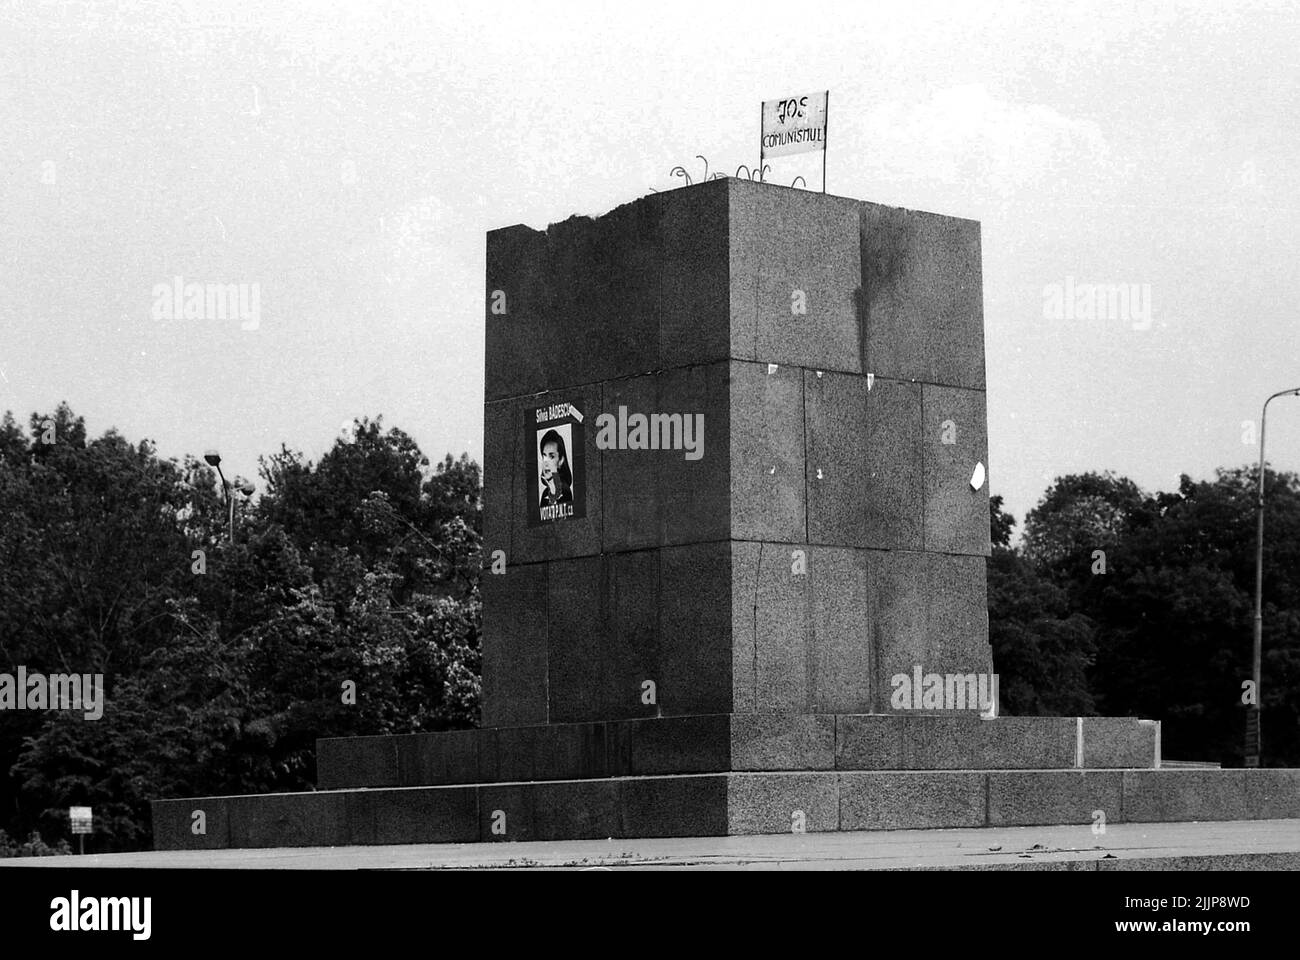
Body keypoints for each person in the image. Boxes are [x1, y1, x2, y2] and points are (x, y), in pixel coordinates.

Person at [538, 429, 573, 510]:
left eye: (551, 457)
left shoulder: (564, 491)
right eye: (544, 456)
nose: (546, 463)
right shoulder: (545, 493)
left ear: (560, 461)